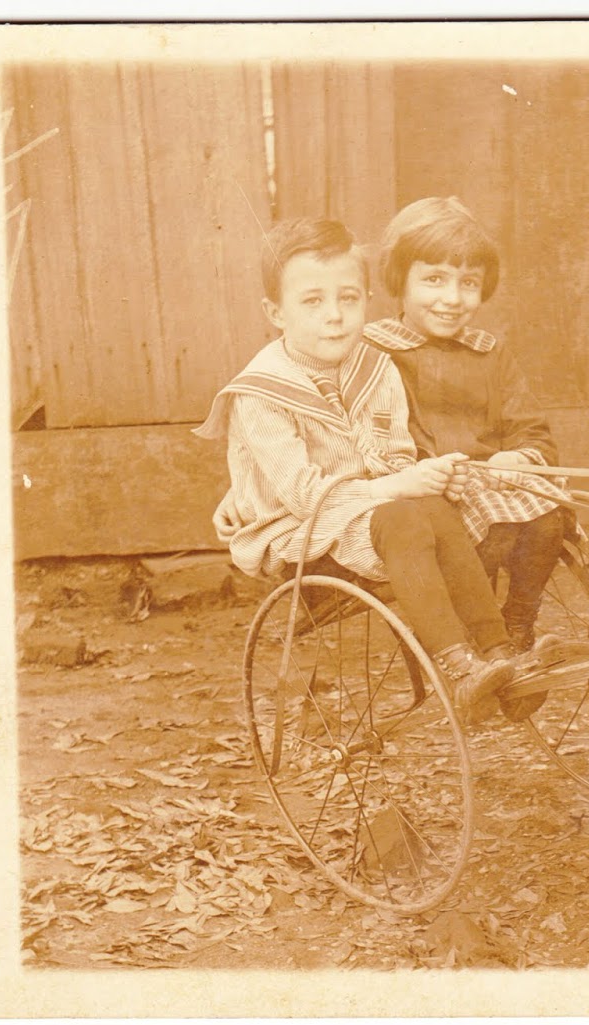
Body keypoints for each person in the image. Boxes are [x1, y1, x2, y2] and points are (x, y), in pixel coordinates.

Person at [194, 216, 520, 719]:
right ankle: (457, 668)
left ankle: (499, 653)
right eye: (312, 302)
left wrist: (414, 477)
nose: (335, 317)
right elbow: (302, 495)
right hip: (294, 528)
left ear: (367, 299)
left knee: (430, 506)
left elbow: (393, 453)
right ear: (275, 312)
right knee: (404, 515)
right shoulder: (261, 394)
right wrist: (394, 487)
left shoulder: (375, 366)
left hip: (367, 510)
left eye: (349, 298)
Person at [364, 196, 570, 653]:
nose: (452, 299)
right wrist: (426, 472)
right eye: (434, 280)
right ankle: (460, 631)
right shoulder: (375, 353)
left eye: (469, 283)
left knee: (549, 516)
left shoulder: (491, 354)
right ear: (401, 280)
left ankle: (518, 620)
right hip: (428, 493)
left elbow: (531, 428)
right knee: (483, 529)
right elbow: (378, 438)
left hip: (492, 486)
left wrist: (518, 456)